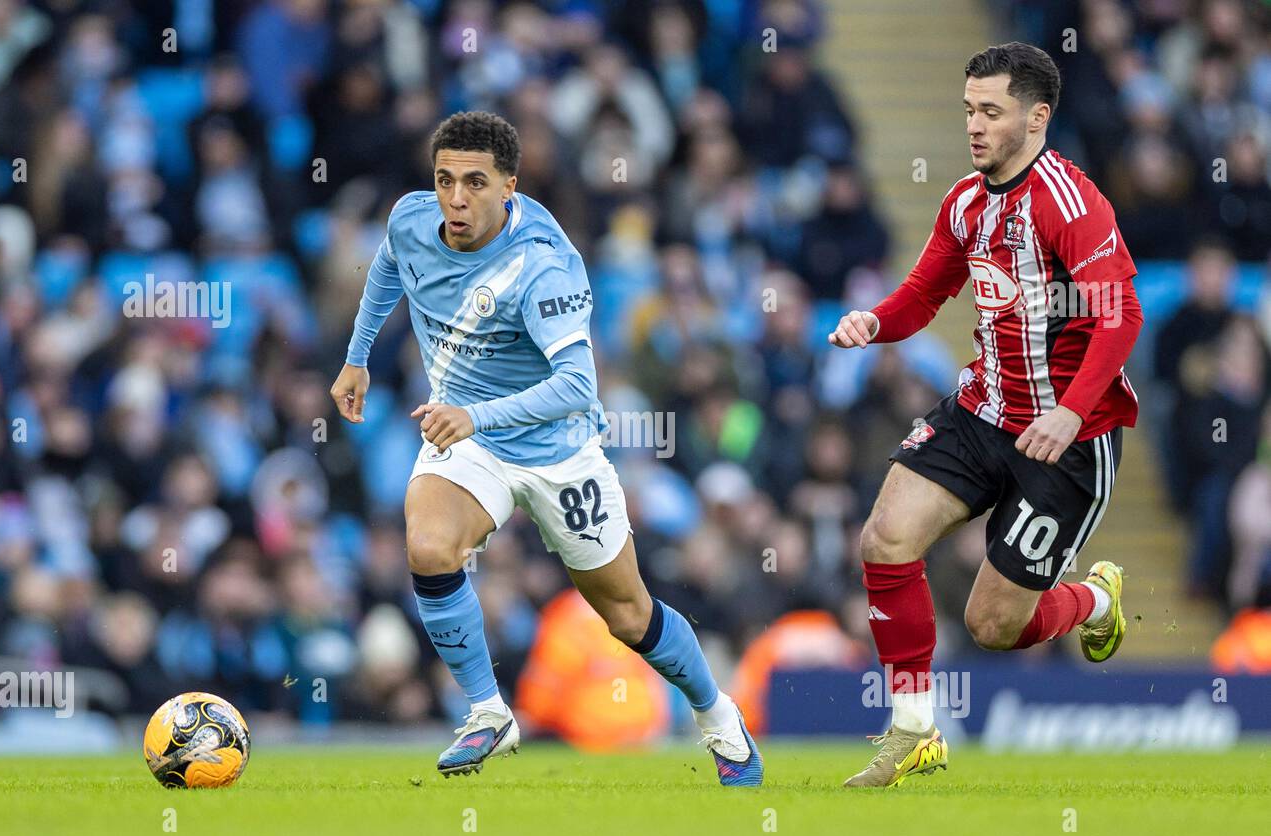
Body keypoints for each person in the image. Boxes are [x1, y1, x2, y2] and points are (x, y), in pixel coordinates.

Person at [329, 111, 762, 785]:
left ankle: (717, 715)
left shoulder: (545, 268)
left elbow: (577, 385)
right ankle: (487, 713)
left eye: (475, 182)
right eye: (445, 180)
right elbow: (391, 263)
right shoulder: (412, 219)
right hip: (470, 439)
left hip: (557, 451)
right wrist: (357, 357)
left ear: (510, 186)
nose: (456, 199)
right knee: (429, 544)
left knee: (627, 613)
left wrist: (473, 414)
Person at [829, 43, 1142, 788]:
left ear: (1036, 118)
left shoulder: (1071, 204)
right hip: (982, 411)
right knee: (885, 538)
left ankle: (1095, 597)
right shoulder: (965, 202)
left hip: (1068, 441)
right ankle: (913, 729)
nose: (973, 125)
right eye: (969, 109)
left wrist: (1070, 413)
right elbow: (925, 293)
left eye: (991, 112)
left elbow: (1120, 314)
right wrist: (875, 322)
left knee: (993, 626)